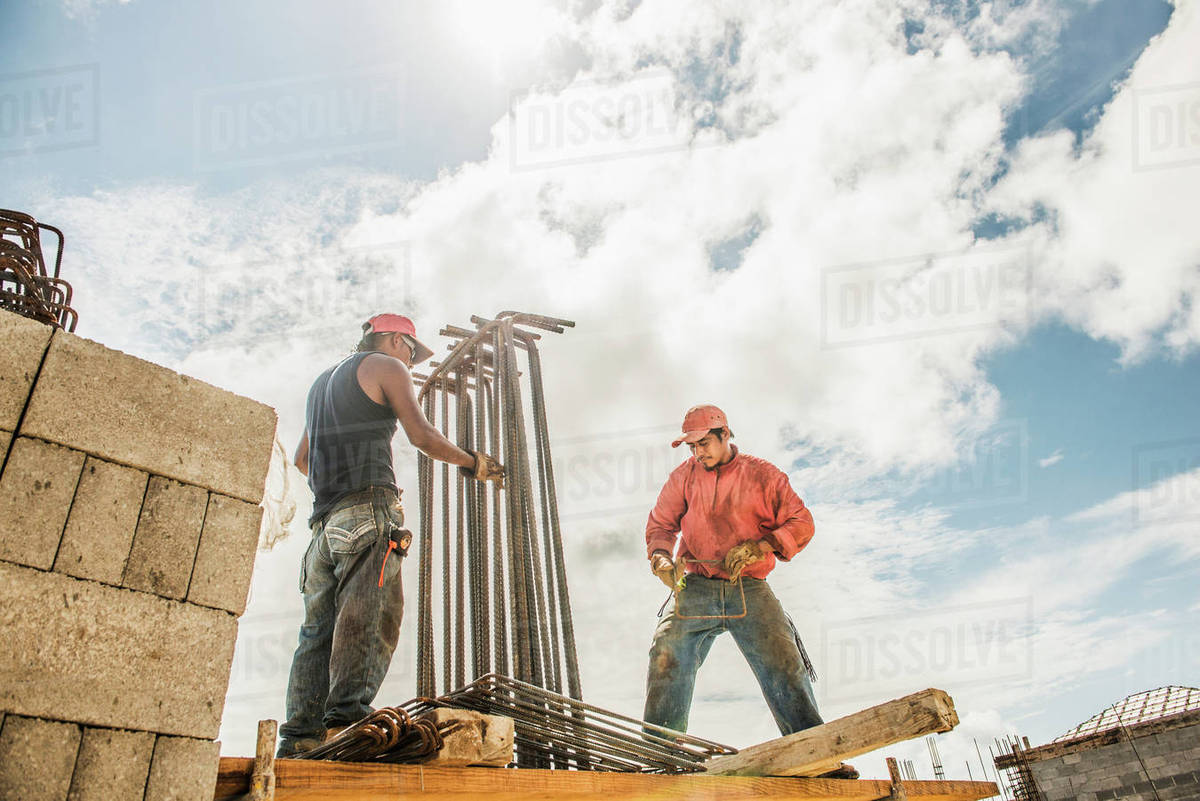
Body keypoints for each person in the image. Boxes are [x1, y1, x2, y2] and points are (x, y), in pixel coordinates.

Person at [278, 313, 504, 758]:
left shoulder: (322, 384)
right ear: (396, 340)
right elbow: (421, 435)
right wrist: (472, 461)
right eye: (411, 351)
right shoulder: (387, 367)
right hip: (368, 511)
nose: (412, 362)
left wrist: (335, 489)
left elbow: (303, 458)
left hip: (323, 527)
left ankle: (299, 737)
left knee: (317, 632)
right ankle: (345, 723)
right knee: (369, 615)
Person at [643, 403, 824, 739]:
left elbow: (802, 522)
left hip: (749, 587)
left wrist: (760, 546)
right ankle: (661, 752)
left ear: (724, 434)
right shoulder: (682, 478)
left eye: (704, 444)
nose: (698, 453)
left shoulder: (764, 475)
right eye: (692, 446)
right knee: (666, 652)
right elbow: (660, 525)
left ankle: (815, 749)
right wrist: (661, 559)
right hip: (695, 586)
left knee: (784, 661)